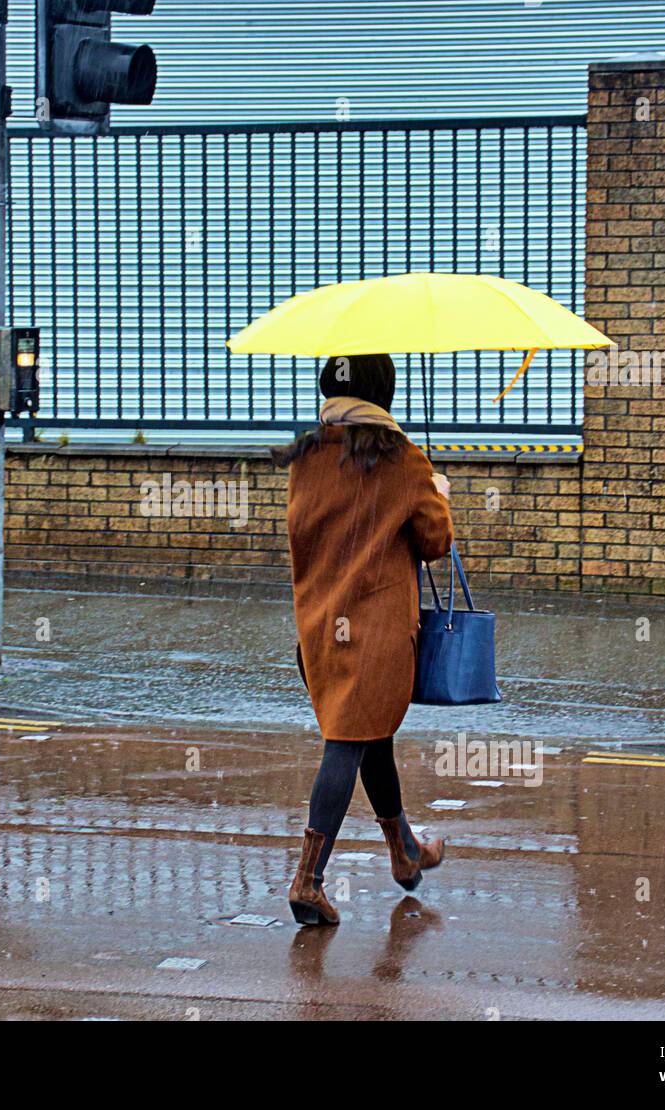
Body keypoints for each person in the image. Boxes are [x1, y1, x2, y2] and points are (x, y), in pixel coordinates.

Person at [271, 354, 454, 926]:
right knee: (348, 742)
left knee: (369, 737)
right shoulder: (401, 459)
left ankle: (405, 852)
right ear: (385, 390)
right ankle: (308, 879)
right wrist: (437, 491)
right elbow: (435, 542)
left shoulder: (308, 455)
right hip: (374, 631)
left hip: (320, 626)